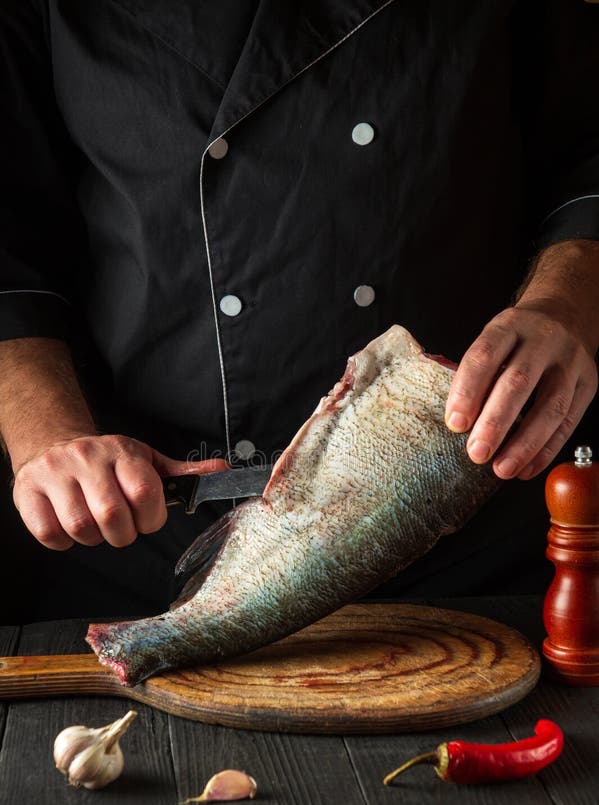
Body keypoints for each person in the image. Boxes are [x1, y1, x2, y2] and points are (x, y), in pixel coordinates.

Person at [0, 1, 598, 622]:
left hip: (472, 527)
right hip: (145, 525)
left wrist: (564, 308)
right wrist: (52, 436)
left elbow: (589, 152)